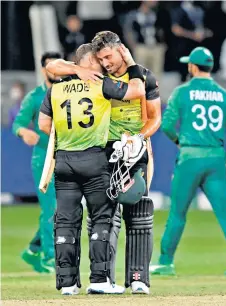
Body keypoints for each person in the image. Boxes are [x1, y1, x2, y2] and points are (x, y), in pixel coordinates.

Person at [47, 31, 161, 294]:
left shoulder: (143, 75)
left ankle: (138, 278)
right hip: (103, 152)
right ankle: (102, 277)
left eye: (108, 57)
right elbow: (53, 66)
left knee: (138, 212)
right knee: (105, 216)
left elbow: (155, 118)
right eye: (100, 59)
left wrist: (138, 138)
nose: (106, 63)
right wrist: (81, 69)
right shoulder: (98, 77)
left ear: (120, 50)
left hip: (133, 151)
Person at [150, 46, 226, 276]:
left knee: (178, 212)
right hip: (215, 157)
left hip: (190, 156)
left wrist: (179, 141)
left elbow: (166, 125)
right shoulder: (225, 95)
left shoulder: (182, 92)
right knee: (225, 212)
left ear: (192, 67)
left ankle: (166, 262)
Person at [12, 52, 62, 274]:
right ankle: (49, 258)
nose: (54, 70)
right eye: (50, 67)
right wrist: (24, 132)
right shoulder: (34, 97)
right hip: (43, 158)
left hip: (67, 156)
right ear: (43, 70)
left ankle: (33, 249)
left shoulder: (68, 92)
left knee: (63, 210)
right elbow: (18, 123)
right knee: (51, 209)